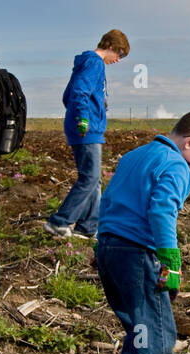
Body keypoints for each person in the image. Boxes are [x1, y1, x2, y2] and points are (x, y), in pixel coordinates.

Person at [95, 110, 190, 354]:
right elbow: (161, 212)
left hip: (110, 249)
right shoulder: (177, 166)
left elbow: (109, 200)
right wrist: (172, 264)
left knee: (137, 326)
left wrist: (101, 246)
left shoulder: (133, 156)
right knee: (156, 329)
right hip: (137, 254)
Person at [44, 30, 131, 240]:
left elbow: (68, 95)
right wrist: (83, 117)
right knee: (90, 178)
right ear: (109, 45)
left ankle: (89, 226)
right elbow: (78, 92)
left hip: (89, 127)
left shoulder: (88, 63)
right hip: (87, 129)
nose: (118, 59)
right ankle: (59, 221)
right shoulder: (94, 62)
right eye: (119, 53)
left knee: (95, 180)